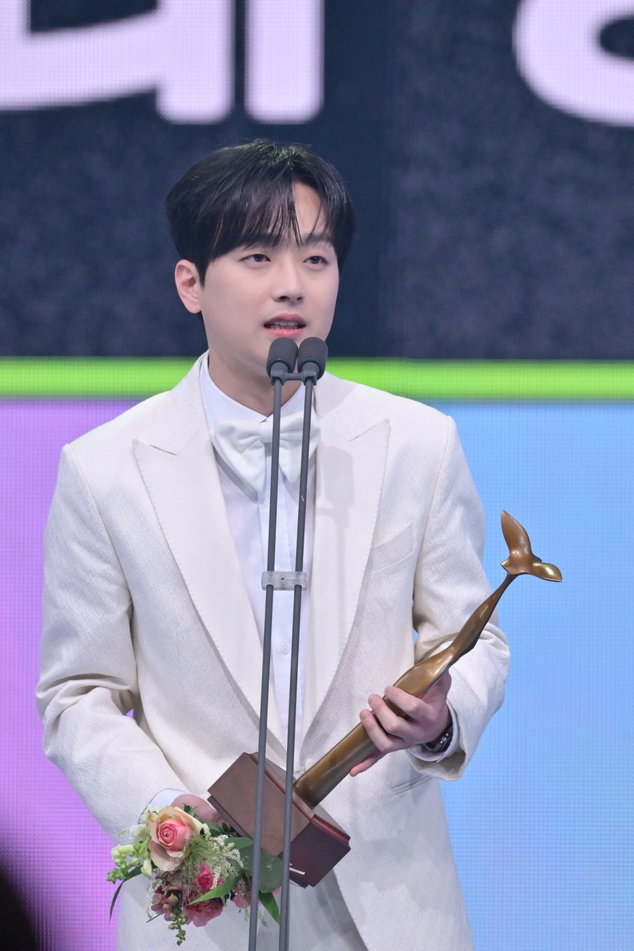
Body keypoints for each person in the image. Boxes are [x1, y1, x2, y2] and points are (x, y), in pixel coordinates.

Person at [37, 140, 509, 951]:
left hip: (390, 906)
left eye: (316, 258)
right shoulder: (105, 469)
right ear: (191, 282)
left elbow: (475, 637)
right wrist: (164, 811)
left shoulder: (416, 444)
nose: (292, 284)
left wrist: (441, 716)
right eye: (258, 256)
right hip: (206, 909)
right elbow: (78, 692)